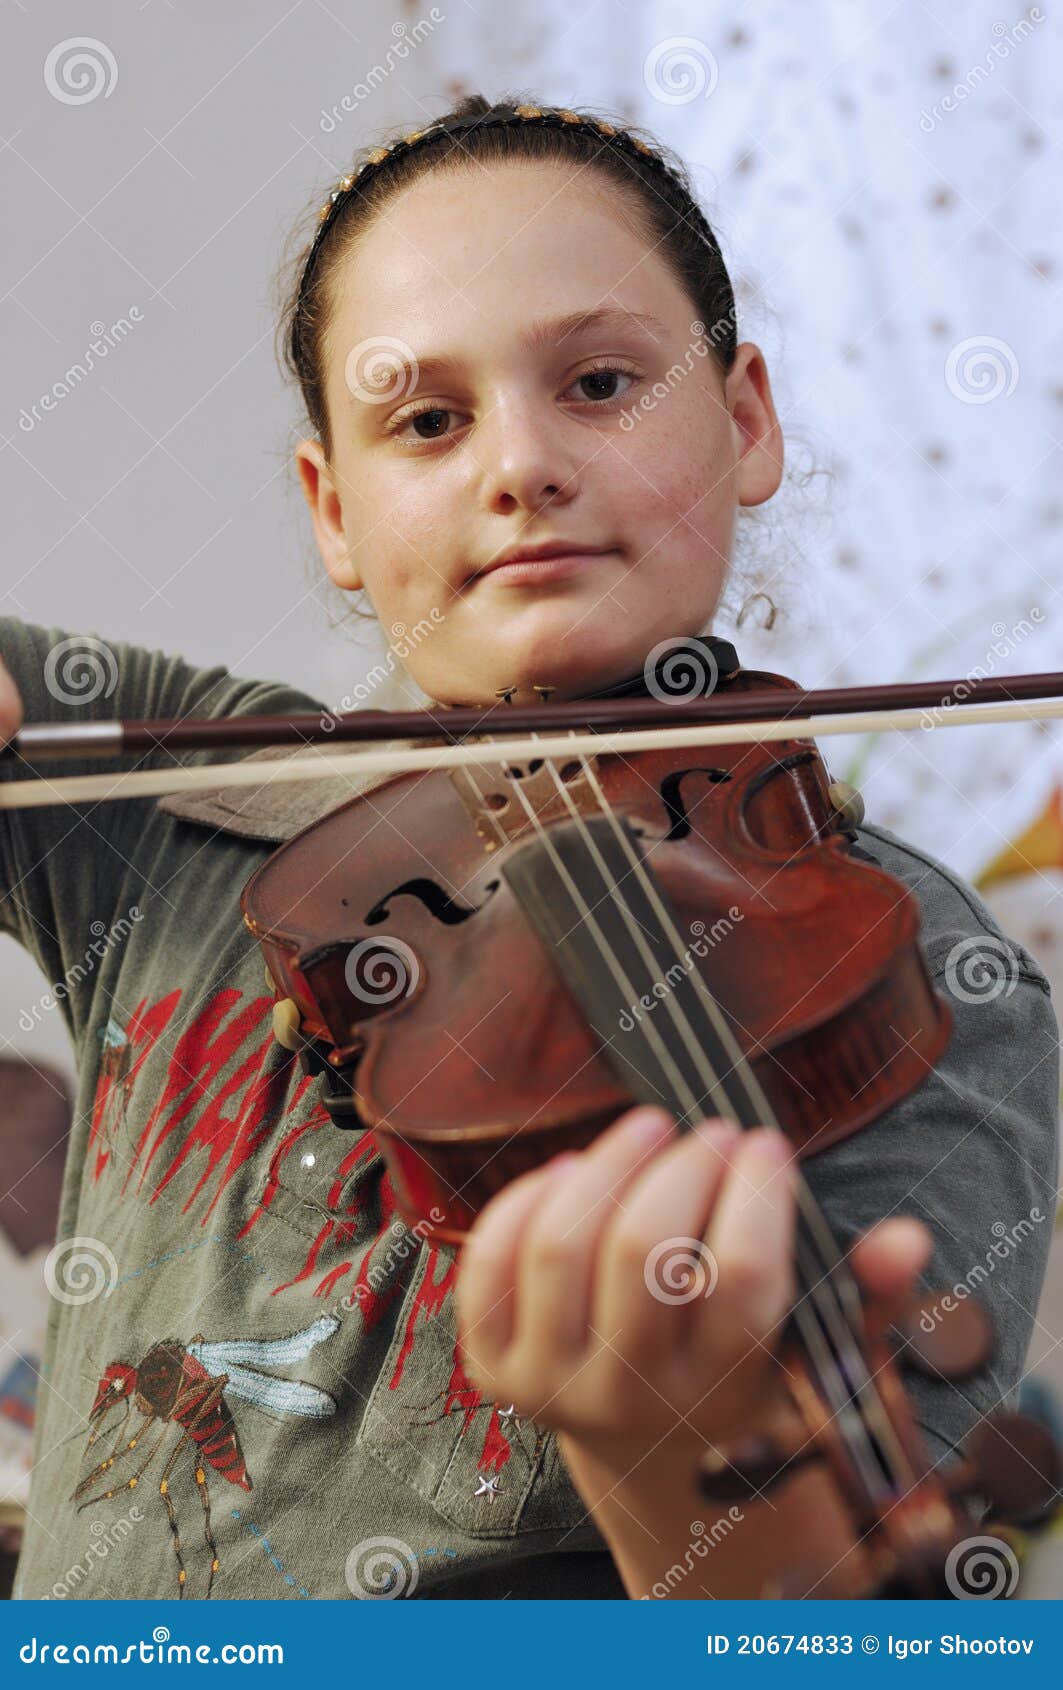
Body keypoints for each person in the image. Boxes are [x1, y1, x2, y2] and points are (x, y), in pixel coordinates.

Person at [1, 94, 1057, 1602]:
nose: (521, 466)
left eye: (602, 381)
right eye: (427, 420)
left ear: (743, 418)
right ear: (334, 513)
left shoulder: (906, 975)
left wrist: (659, 1444)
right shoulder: (193, 794)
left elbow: (800, 1624)